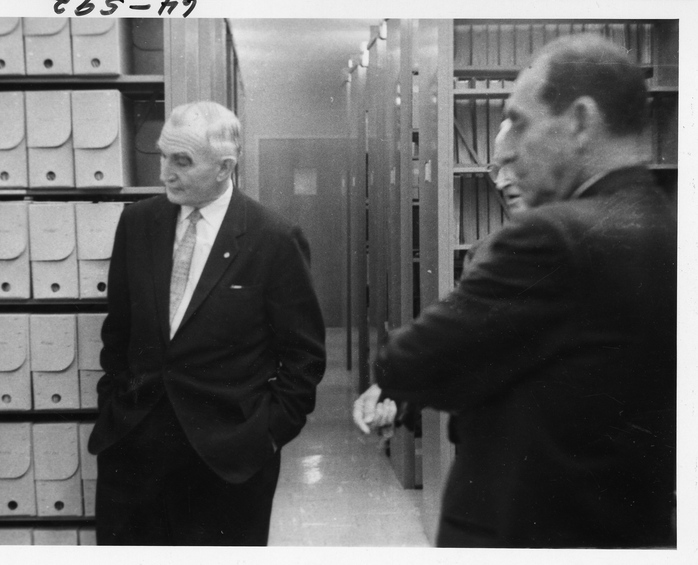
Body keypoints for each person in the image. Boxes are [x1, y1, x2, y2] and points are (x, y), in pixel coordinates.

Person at [353, 34, 676, 548]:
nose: (503, 148)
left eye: (518, 121)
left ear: (580, 121)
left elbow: (407, 362)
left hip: (528, 527)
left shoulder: (550, 238)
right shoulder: (672, 228)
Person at [88, 101, 326, 546]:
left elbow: (304, 358)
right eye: (162, 156)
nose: (165, 173)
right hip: (134, 448)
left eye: (182, 161)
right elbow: (117, 332)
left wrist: (264, 438)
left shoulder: (272, 238)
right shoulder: (138, 222)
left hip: (227, 459)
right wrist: (115, 408)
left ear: (224, 167)